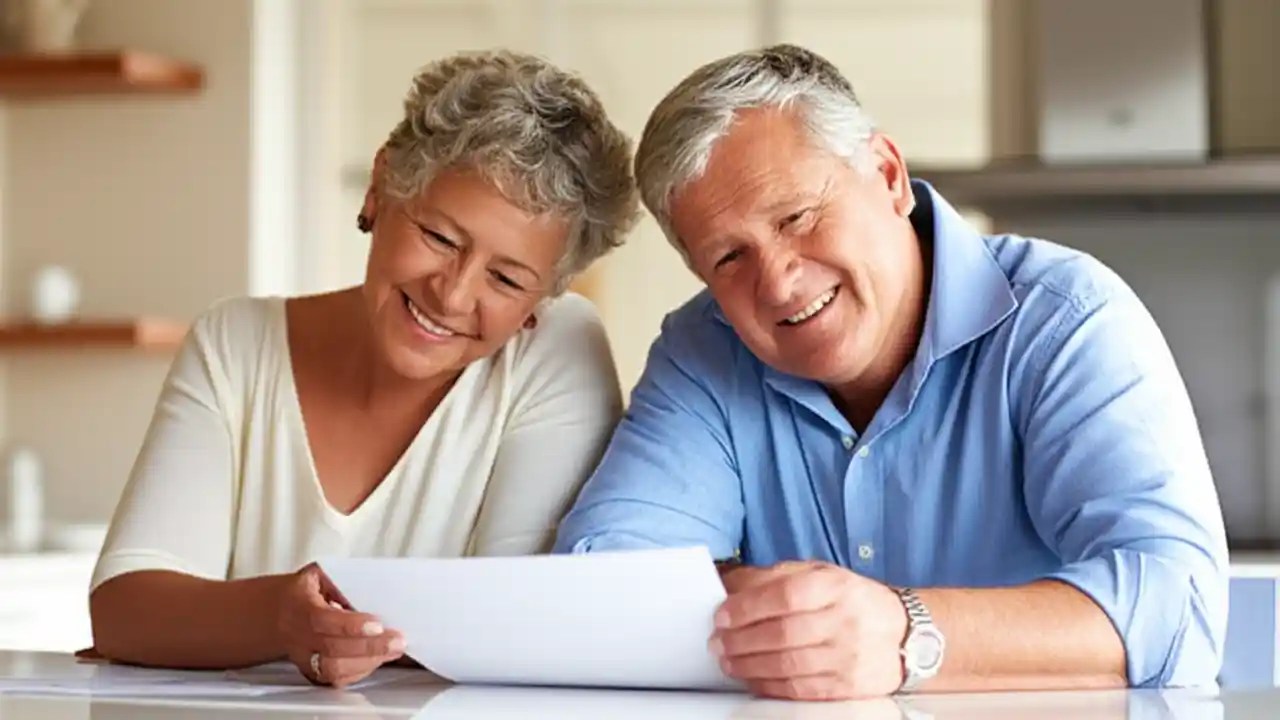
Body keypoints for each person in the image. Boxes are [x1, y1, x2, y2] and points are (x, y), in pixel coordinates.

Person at [555, 44, 1228, 700]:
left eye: (797, 218)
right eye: (729, 258)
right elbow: (606, 588)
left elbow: (1179, 607)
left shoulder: (1066, 320)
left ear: (887, 176)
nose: (778, 282)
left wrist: (908, 634)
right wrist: (798, 620)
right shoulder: (704, 348)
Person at [90, 50, 638, 687]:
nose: (453, 295)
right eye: (440, 238)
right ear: (382, 187)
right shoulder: (236, 344)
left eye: (507, 279)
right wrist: (281, 616)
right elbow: (124, 608)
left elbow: (515, 619)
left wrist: (241, 621)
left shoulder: (556, 351)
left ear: (543, 300)